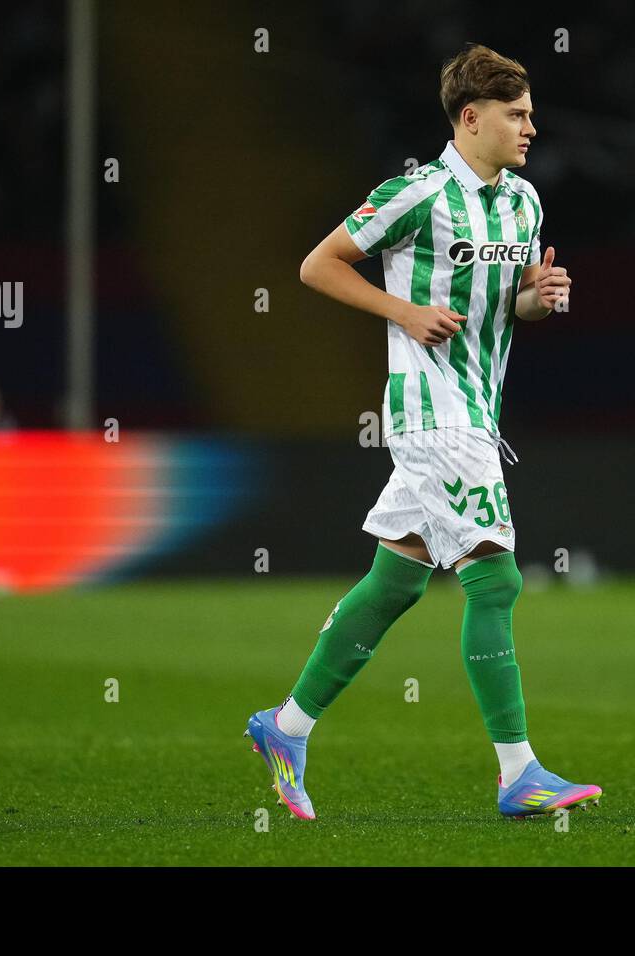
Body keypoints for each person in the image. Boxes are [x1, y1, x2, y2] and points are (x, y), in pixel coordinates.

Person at [244, 43, 601, 820]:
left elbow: (512, 309)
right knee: (497, 579)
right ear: (471, 118)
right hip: (429, 411)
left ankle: (286, 727)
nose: (531, 127)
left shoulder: (524, 204)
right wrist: (402, 311)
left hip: (478, 408)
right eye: (517, 115)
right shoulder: (417, 192)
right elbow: (318, 264)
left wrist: (543, 295)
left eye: (532, 114)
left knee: (398, 580)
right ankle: (519, 773)